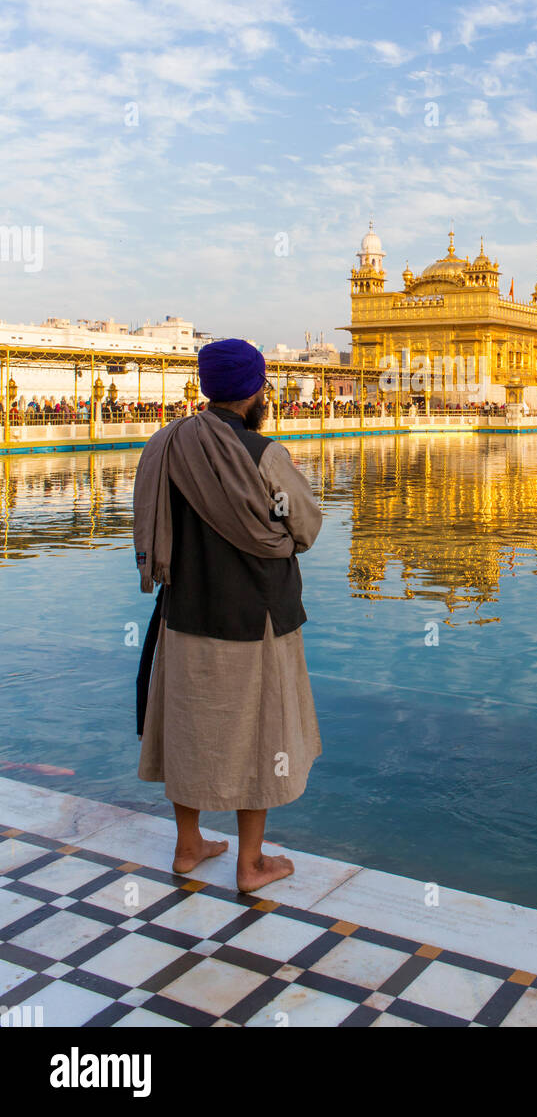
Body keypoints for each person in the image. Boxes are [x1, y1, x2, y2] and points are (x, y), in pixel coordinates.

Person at [133, 338, 323, 893]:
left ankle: (188, 847)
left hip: (186, 610)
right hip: (256, 617)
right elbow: (303, 526)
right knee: (261, 734)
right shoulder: (264, 455)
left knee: (190, 725)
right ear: (256, 391)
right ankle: (250, 863)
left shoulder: (168, 446)